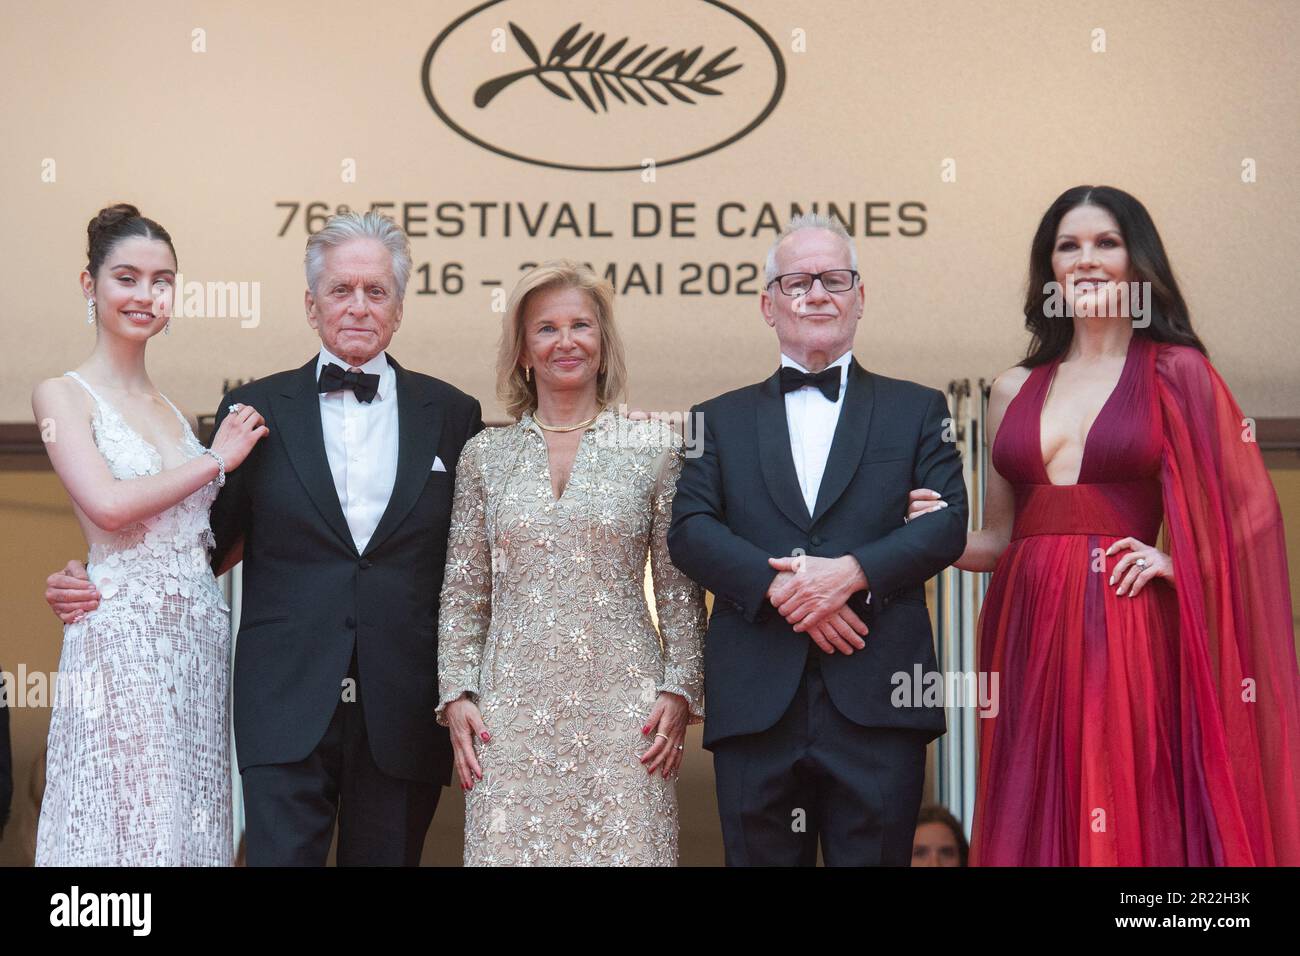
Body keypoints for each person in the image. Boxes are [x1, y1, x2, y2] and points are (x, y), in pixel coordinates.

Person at [44, 210, 484, 865]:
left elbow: (472, 564)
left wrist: (467, 687)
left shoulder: (453, 413)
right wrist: (92, 572)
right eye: (340, 290)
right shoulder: (254, 412)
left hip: (403, 706)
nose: (358, 306)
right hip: (282, 706)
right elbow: (201, 542)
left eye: (375, 291)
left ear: (399, 306)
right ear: (311, 306)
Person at [908, 185, 1300, 865]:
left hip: (1123, 619)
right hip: (1024, 623)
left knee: (1118, 795)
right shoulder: (1011, 388)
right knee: (1033, 792)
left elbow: (1255, 514)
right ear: (1050, 268)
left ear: (1136, 260)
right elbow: (998, 541)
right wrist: (930, 533)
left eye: (1105, 243)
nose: (1086, 259)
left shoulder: (1180, 374)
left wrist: (1183, 564)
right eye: (1069, 246)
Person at [667, 213, 969, 866]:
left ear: (861, 297)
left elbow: (947, 525)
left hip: (880, 700)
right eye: (798, 280)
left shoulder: (919, 410)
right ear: (767, 304)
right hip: (757, 705)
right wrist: (783, 587)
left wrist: (850, 574)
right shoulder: (713, 420)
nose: (817, 293)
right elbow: (689, 531)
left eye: (836, 278)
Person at [436, 260, 706, 866]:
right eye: (545, 329)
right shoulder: (484, 456)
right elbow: (463, 594)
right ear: (523, 351)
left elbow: (679, 592)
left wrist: (679, 689)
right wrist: (457, 696)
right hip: (507, 719)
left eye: (581, 325)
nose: (565, 341)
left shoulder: (652, 450)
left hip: (627, 717)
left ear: (604, 344)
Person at [32, 204, 268, 865]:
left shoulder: (170, 410)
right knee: (122, 828)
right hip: (121, 640)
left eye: (161, 280)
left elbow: (198, 539)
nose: (145, 294)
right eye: (127, 278)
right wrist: (216, 461)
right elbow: (108, 507)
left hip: (197, 641)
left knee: (187, 826)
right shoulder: (62, 395)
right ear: (90, 285)